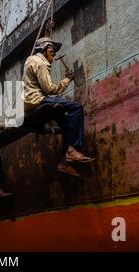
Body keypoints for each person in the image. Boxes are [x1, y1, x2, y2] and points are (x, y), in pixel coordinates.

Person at [22, 23, 94, 178]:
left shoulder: (31, 60)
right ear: (44, 50)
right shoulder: (40, 63)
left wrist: (48, 30)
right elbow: (50, 90)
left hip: (31, 100)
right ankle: (72, 149)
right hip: (38, 100)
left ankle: (64, 163)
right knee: (76, 107)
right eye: (52, 52)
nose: (53, 56)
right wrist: (67, 80)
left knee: (68, 125)